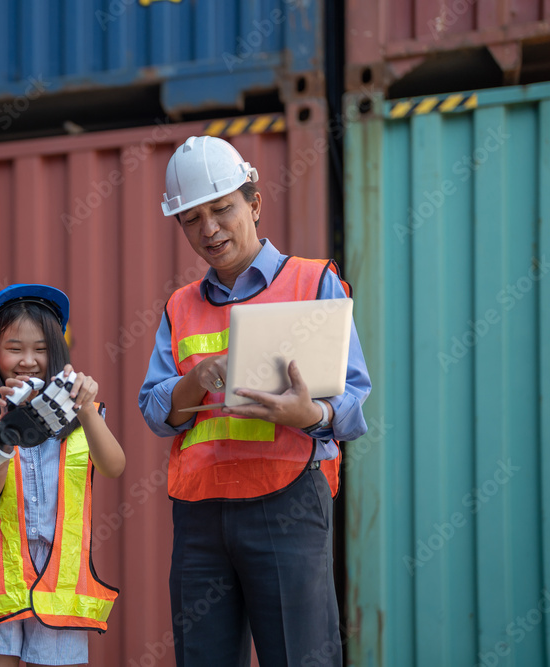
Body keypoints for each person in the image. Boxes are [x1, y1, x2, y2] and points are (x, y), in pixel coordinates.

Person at [138, 136, 372, 667]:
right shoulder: (180, 307)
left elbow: (354, 404)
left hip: (286, 503)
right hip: (200, 516)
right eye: (192, 219)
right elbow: (156, 412)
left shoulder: (313, 283)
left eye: (222, 209)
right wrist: (196, 378)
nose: (210, 230)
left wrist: (309, 416)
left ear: (255, 203)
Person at [0, 284, 125, 667]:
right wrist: (4, 426)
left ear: (57, 353)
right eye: (15, 348)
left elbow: (114, 466)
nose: (28, 360)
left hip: (61, 577)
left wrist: (88, 409)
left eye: (41, 349)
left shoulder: (82, 417)